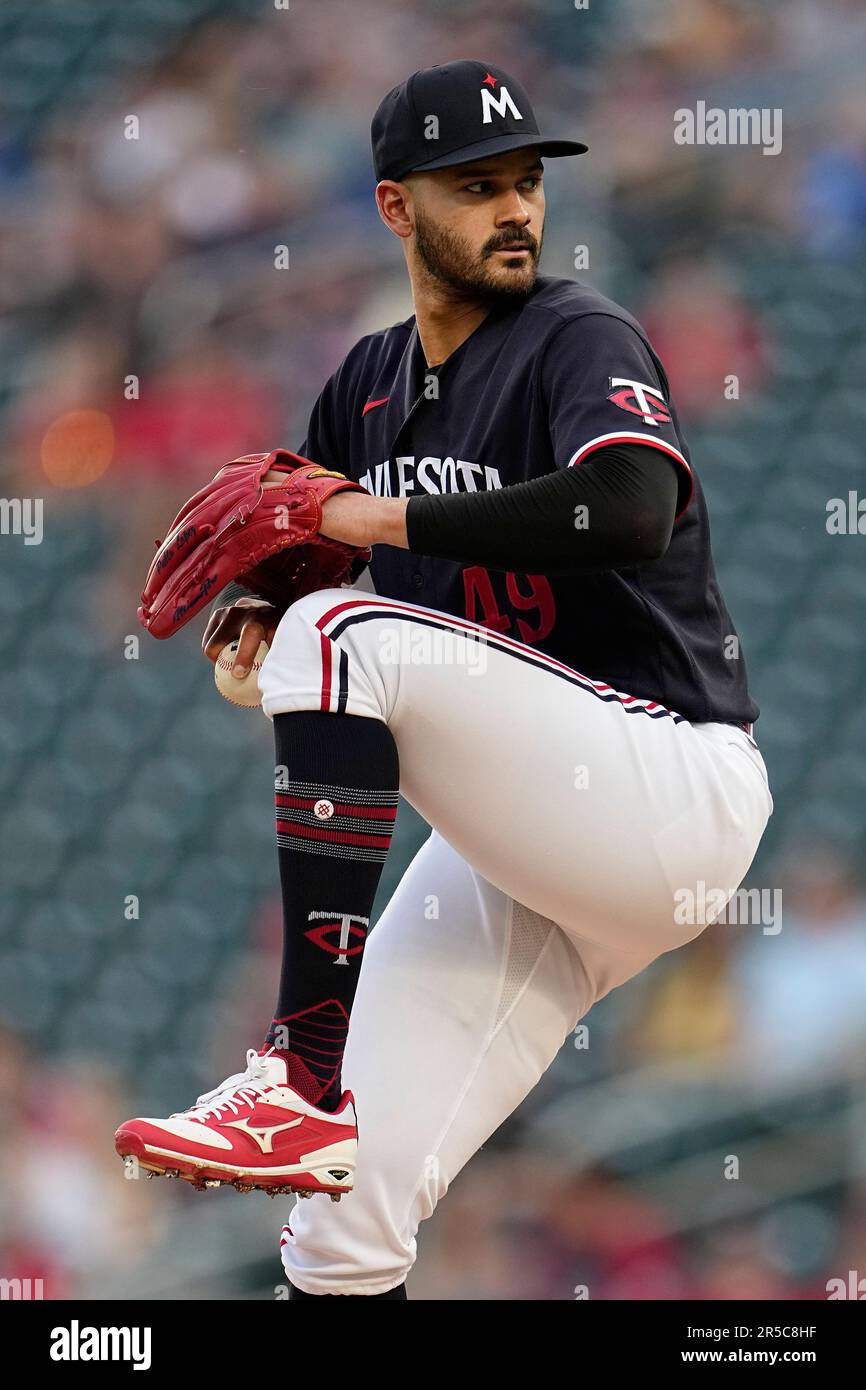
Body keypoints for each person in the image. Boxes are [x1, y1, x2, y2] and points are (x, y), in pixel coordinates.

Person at [116, 60, 773, 1300]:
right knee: (338, 1223)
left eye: (526, 181)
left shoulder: (575, 336)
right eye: (476, 187)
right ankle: (317, 1135)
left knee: (345, 636)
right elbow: (305, 558)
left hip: (666, 786)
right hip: (526, 852)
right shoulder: (365, 386)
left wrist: (363, 538)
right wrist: (257, 622)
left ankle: (296, 1072)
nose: (515, 208)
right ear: (394, 207)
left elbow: (629, 506)